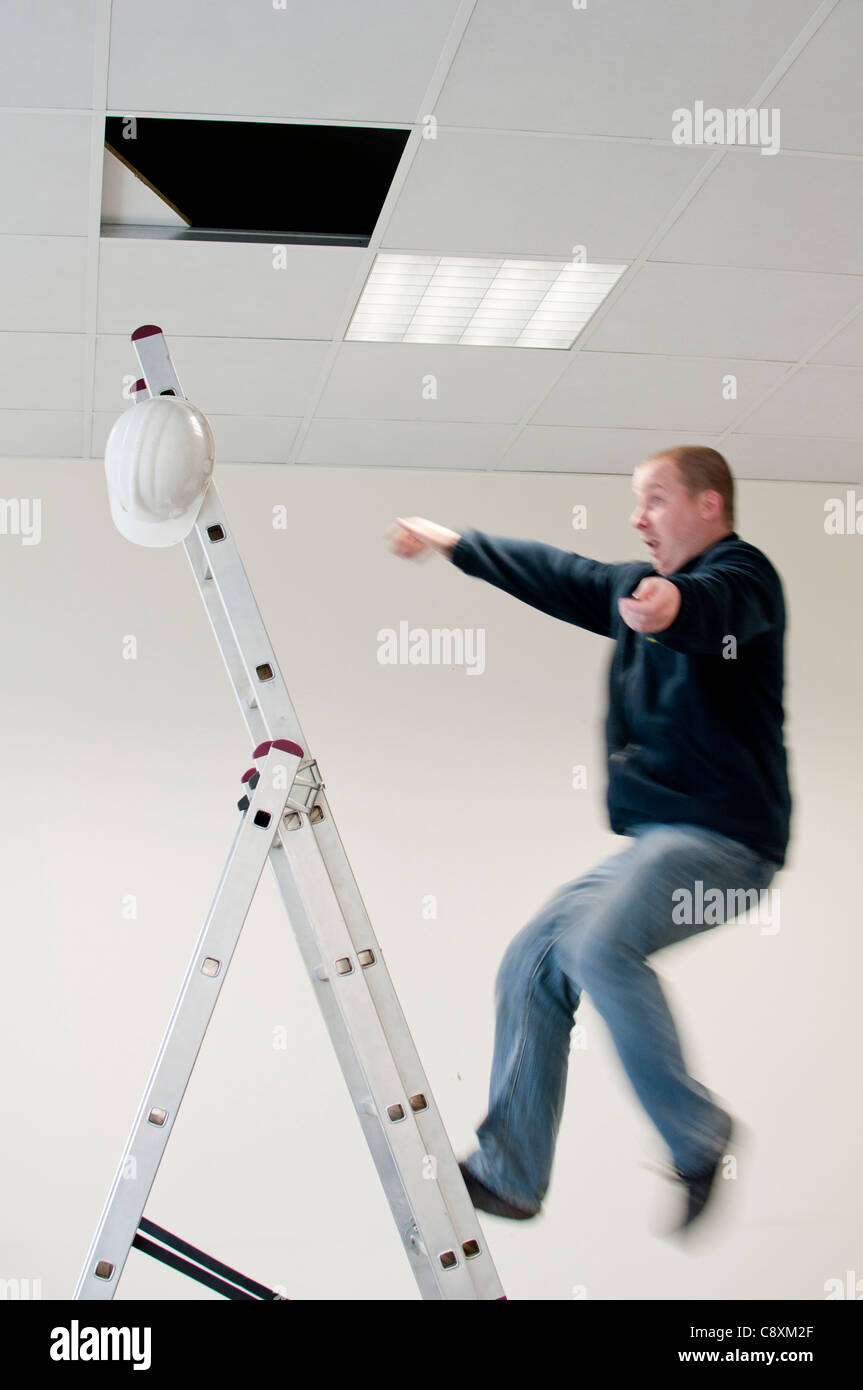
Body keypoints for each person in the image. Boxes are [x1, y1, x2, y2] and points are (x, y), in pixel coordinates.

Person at [387, 446, 792, 1233]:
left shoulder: (744, 577)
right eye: (636, 503)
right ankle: (510, 1170)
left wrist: (675, 611)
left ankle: (696, 1133)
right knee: (533, 959)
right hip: (659, 844)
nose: (639, 518)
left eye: (657, 499)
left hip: (730, 848)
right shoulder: (631, 590)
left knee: (598, 947)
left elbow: (719, 608)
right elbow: (560, 573)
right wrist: (453, 543)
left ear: (709, 505)